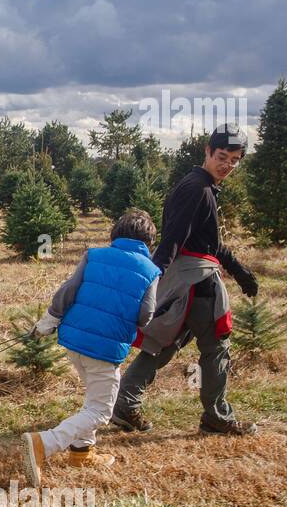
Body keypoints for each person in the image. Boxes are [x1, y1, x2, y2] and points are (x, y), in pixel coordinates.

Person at [111, 123, 259, 436]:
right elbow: (174, 239)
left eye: (235, 159)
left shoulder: (200, 186)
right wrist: (150, 277)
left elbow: (210, 242)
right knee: (215, 348)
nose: (228, 165)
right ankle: (217, 416)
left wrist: (239, 270)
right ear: (207, 151)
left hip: (189, 281)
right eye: (222, 156)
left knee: (163, 343)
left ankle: (124, 403)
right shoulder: (198, 189)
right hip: (197, 285)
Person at [21, 209, 161, 486]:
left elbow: (67, 291)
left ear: (115, 235)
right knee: (101, 410)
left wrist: (47, 323)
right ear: (148, 243)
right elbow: (146, 315)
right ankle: (44, 444)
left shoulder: (93, 255)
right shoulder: (151, 271)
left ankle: (82, 452)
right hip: (104, 349)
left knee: (94, 399)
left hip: (73, 341)